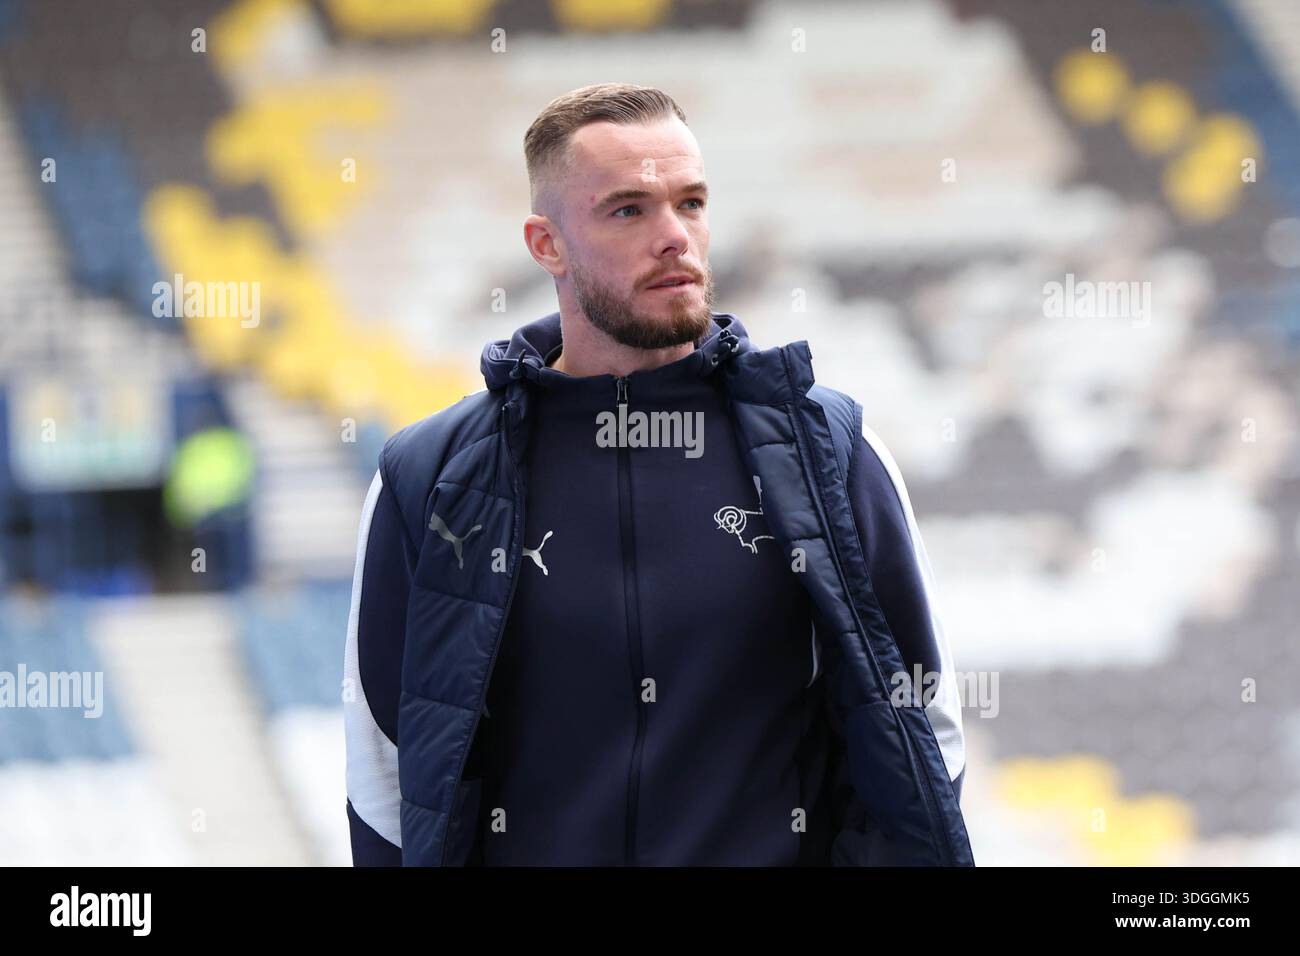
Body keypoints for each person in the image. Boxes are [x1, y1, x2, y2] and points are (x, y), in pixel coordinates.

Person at [343, 82, 973, 866]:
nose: (675, 236)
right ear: (548, 245)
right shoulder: (431, 477)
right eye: (628, 210)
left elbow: (922, 730)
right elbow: (384, 775)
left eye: (693, 202)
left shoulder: (829, 451)